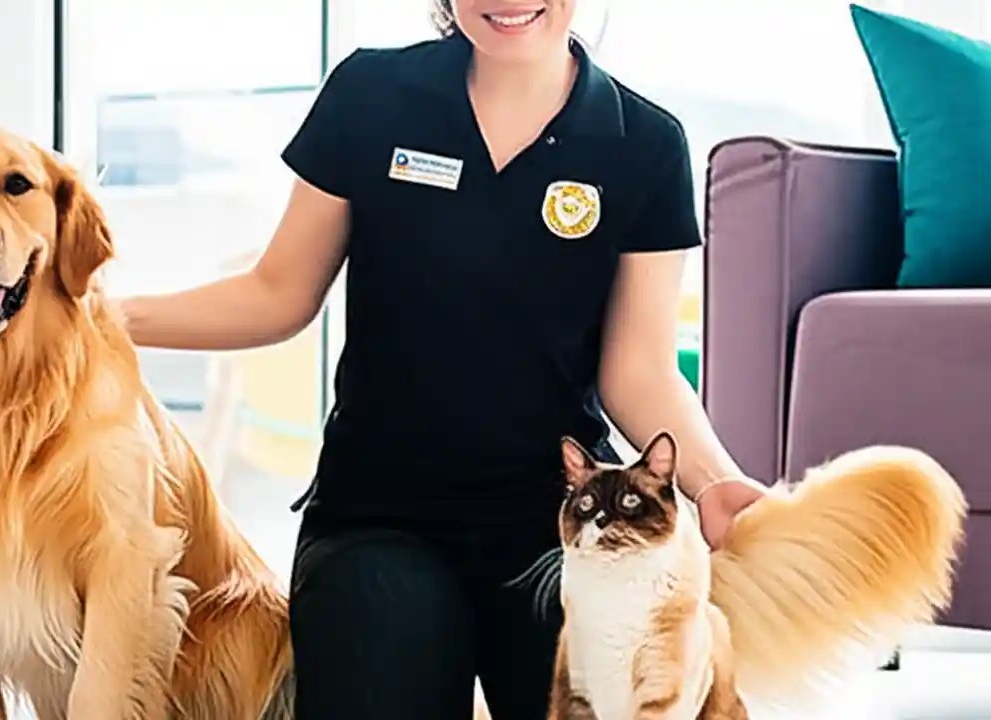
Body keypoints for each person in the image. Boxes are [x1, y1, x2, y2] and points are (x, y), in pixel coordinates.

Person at [118, 1, 768, 717]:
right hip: (379, 518)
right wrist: (105, 319)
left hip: (565, 528)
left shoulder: (643, 144)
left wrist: (714, 483)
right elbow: (279, 294)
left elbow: (637, 368)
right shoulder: (371, 95)